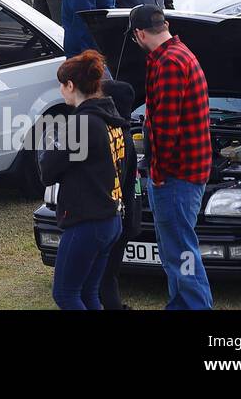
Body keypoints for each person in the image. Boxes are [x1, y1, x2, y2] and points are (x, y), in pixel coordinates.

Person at [130, 4, 213, 310]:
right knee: (176, 251)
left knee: (181, 252)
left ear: (139, 33)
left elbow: (164, 129)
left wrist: (157, 174)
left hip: (176, 177)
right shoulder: (179, 54)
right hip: (186, 172)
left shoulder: (168, 64)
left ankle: (194, 305)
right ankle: (182, 304)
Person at [40, 50, 127, 311]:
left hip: (88, 222)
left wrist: (48, 142)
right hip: (111, 218)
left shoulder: (82, 124)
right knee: (89, 293)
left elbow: (47, 172)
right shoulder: (110, 118)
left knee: (66, 294)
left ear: (70, 85)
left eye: (61, 84)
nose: (60, 90)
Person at [99, 72, 140, 311]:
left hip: (118, 216)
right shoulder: (125, 133)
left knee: (106, 277)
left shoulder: (116, 136)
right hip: (127, 216)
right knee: (108, 275)